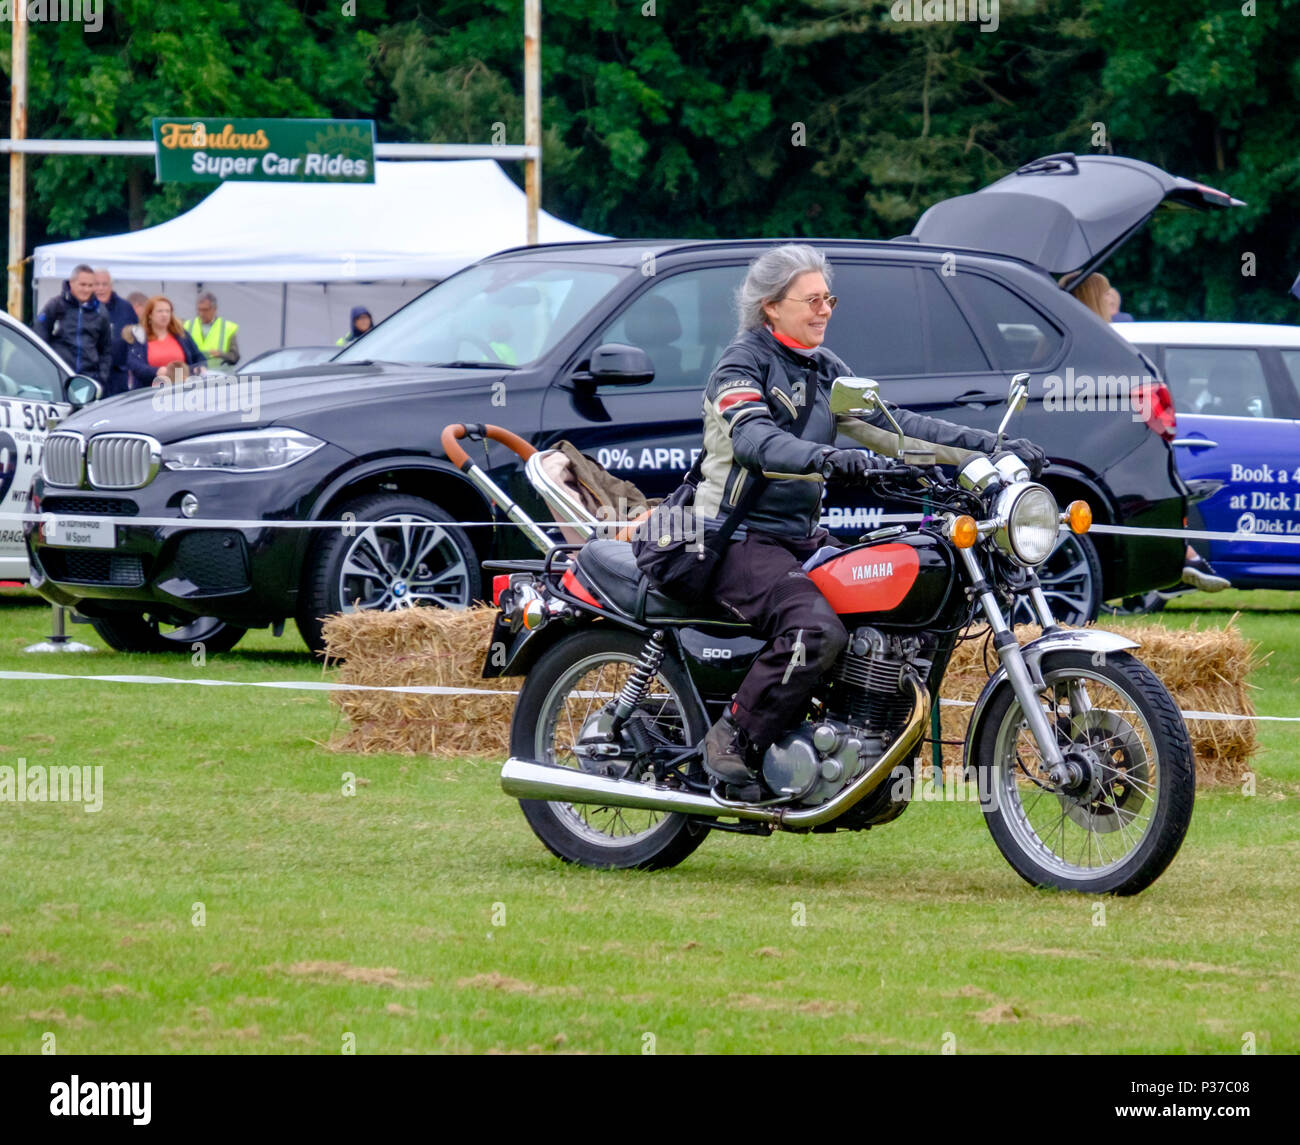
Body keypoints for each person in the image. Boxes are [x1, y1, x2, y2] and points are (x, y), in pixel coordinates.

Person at [695, 244, 1047, 797]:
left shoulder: (826, 370)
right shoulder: (741, 364)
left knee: (874, 601)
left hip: (796, 539)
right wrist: (827, 458)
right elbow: (754, 439)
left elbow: (895, 428)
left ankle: (844, 741)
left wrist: (993, 448)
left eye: (828, 298)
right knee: (815, 628)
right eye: (811, 300)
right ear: (771, 307)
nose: (824, 309)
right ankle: (732, 739)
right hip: (730, 537)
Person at [1062, 275, 1227, 592]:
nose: (1114, 298)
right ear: (1097, 298)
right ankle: (1181, 556)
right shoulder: (1109, 348)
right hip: (1112, 445)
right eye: (1107, 292)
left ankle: (1182, 556)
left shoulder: (1070, 344)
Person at [32, 263, 112, 389]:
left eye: (90, 285)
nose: (86, 289)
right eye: (82, 284)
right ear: (71, 283)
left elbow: (105, 350)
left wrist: (101, 377)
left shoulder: (101, 312)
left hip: (88, 379)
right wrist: (47, 369)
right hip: (59, 375)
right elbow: (39, 337)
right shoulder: (56, 305)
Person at [126, 296, 207, 385]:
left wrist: (200, 367)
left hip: (181, 389)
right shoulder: (139, 337)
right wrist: (156, 371)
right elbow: (134, 364)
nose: (164, 314)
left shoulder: (181, 334)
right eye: (159, 311)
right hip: (149, 392)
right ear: (150, 315)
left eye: (167, 311)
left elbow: (198, 356)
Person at [92, 268, 142, 396]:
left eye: (104, 284)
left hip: (119, 374)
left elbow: (136, 339)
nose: (100, 288)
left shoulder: (125, 307)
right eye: (96, 284)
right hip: (92, 373)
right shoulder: (83, 308)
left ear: (111, 286)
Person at [184, 291, 240, 370]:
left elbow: (235, 357)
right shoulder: (187, 325)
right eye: (199, 310)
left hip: (220, 376)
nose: (201, 314)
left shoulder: (228, 327)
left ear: (215, 309)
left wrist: (221, 354)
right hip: (195, 375)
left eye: (205, 310)